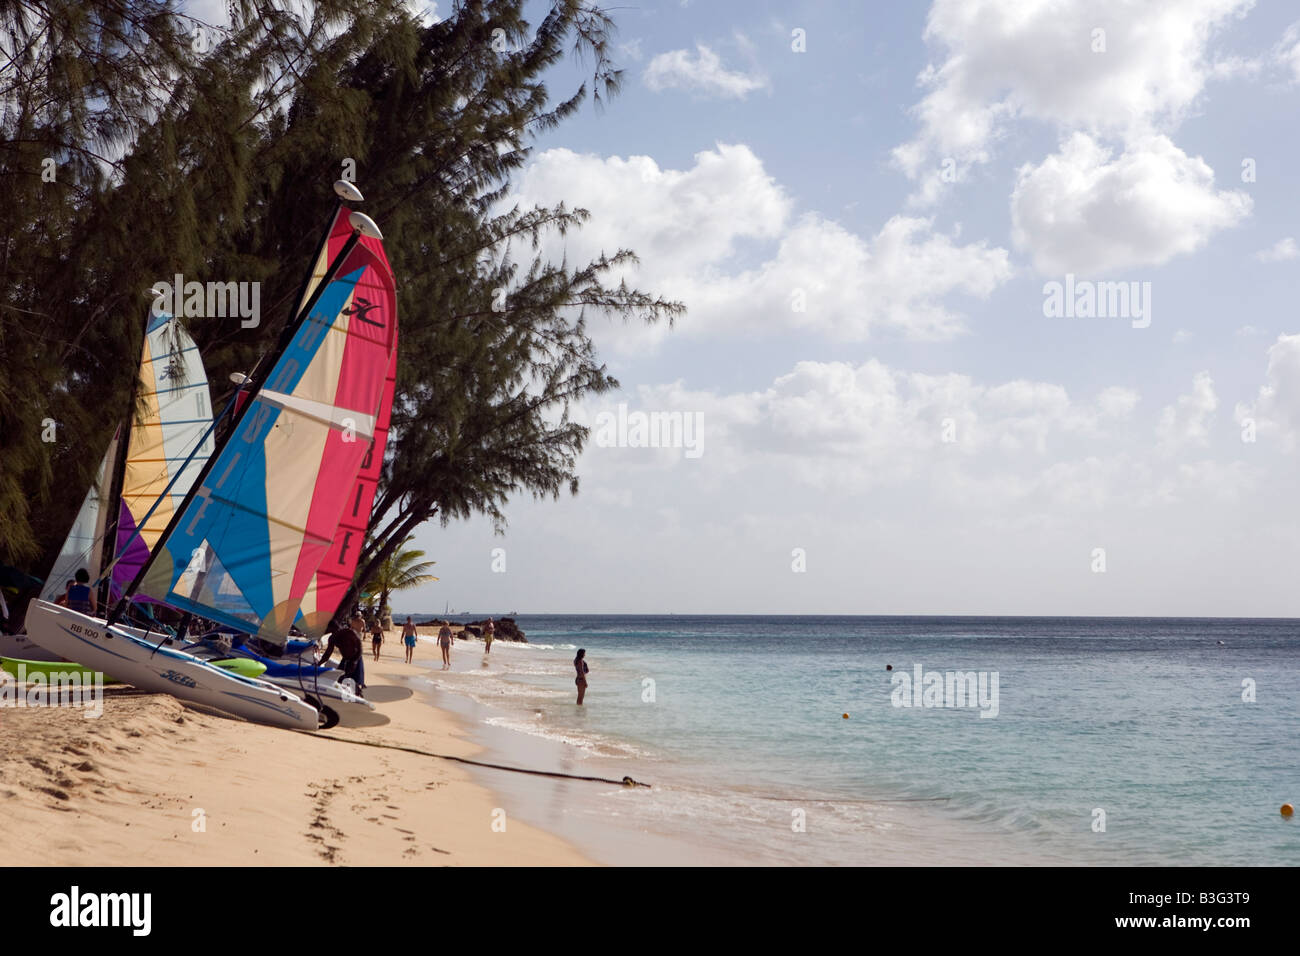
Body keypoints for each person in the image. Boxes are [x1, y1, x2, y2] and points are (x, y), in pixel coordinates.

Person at [319, 617, 365, 696]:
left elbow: (360, 647)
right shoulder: (332, 638)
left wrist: (355, 661)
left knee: (354, 681)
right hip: (345, 659)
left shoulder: (350, 633)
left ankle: (358, 695)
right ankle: (341, 695)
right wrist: (318, 664)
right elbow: (327, 654)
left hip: (356, 658)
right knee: (340, 678)